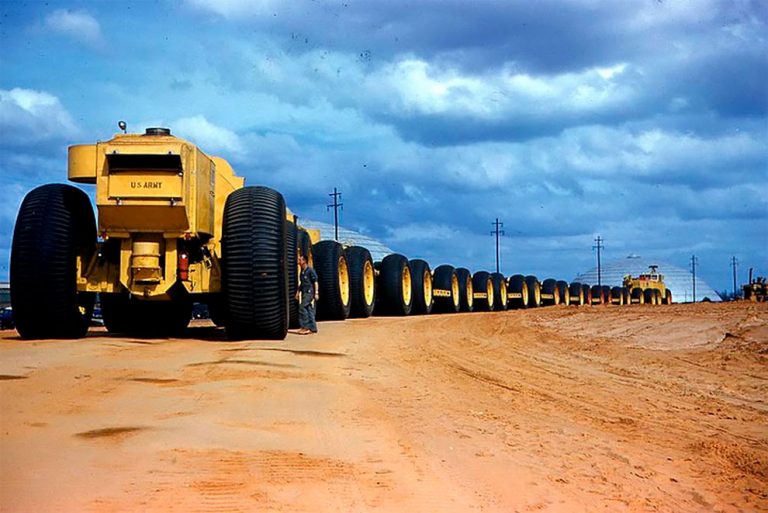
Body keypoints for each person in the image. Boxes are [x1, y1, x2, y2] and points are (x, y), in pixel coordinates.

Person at [296, 253, 318, 334]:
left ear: (304, 261)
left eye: (300, 259)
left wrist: (316, 293)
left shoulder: (310, 270)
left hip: (309, 292)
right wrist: (298, 292)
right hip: (305, 292)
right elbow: (302, 283)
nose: (298, 261)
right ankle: (313, 328)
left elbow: (315, 282)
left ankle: (305, 327)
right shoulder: (302, 272)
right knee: (309, 309)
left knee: (302, 308)